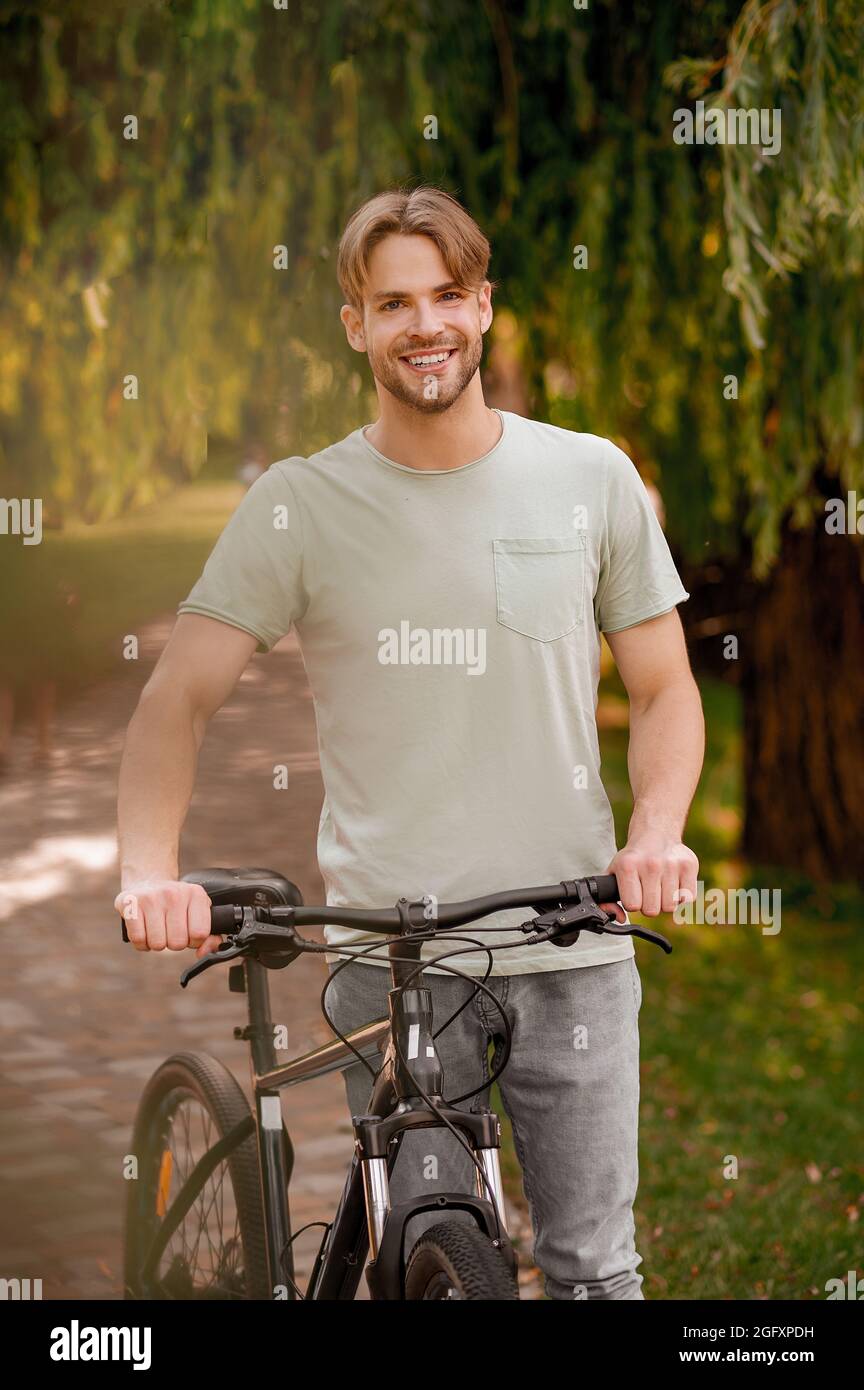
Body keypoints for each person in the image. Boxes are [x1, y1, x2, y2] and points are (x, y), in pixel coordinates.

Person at [115, 185, 704, 1300]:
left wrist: (658, 835)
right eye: (393, 302)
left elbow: (667, 687)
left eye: (446, 295)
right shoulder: (301, 504)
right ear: (356, 325)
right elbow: (175, 701)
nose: (424, 324)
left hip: (574, 942)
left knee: (595, 1271)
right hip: (394, 960)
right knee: (415, 1246)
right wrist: (148, 869)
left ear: (484, 306)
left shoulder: (590, 477)